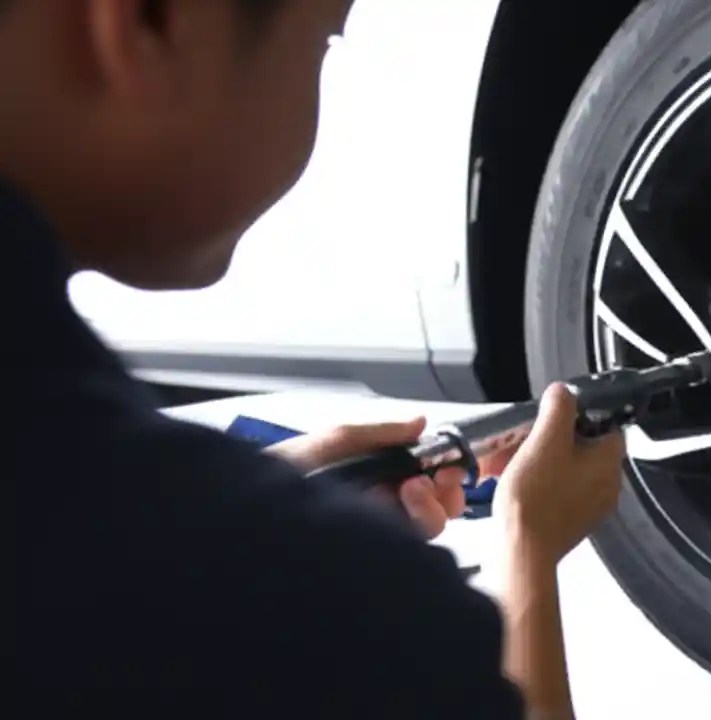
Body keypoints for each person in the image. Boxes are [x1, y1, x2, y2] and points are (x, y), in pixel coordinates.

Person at [7, 1, 626, 718]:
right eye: (322, 44)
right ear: (151, 22)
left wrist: (268, 490)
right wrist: (528, 548)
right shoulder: (340, 606)